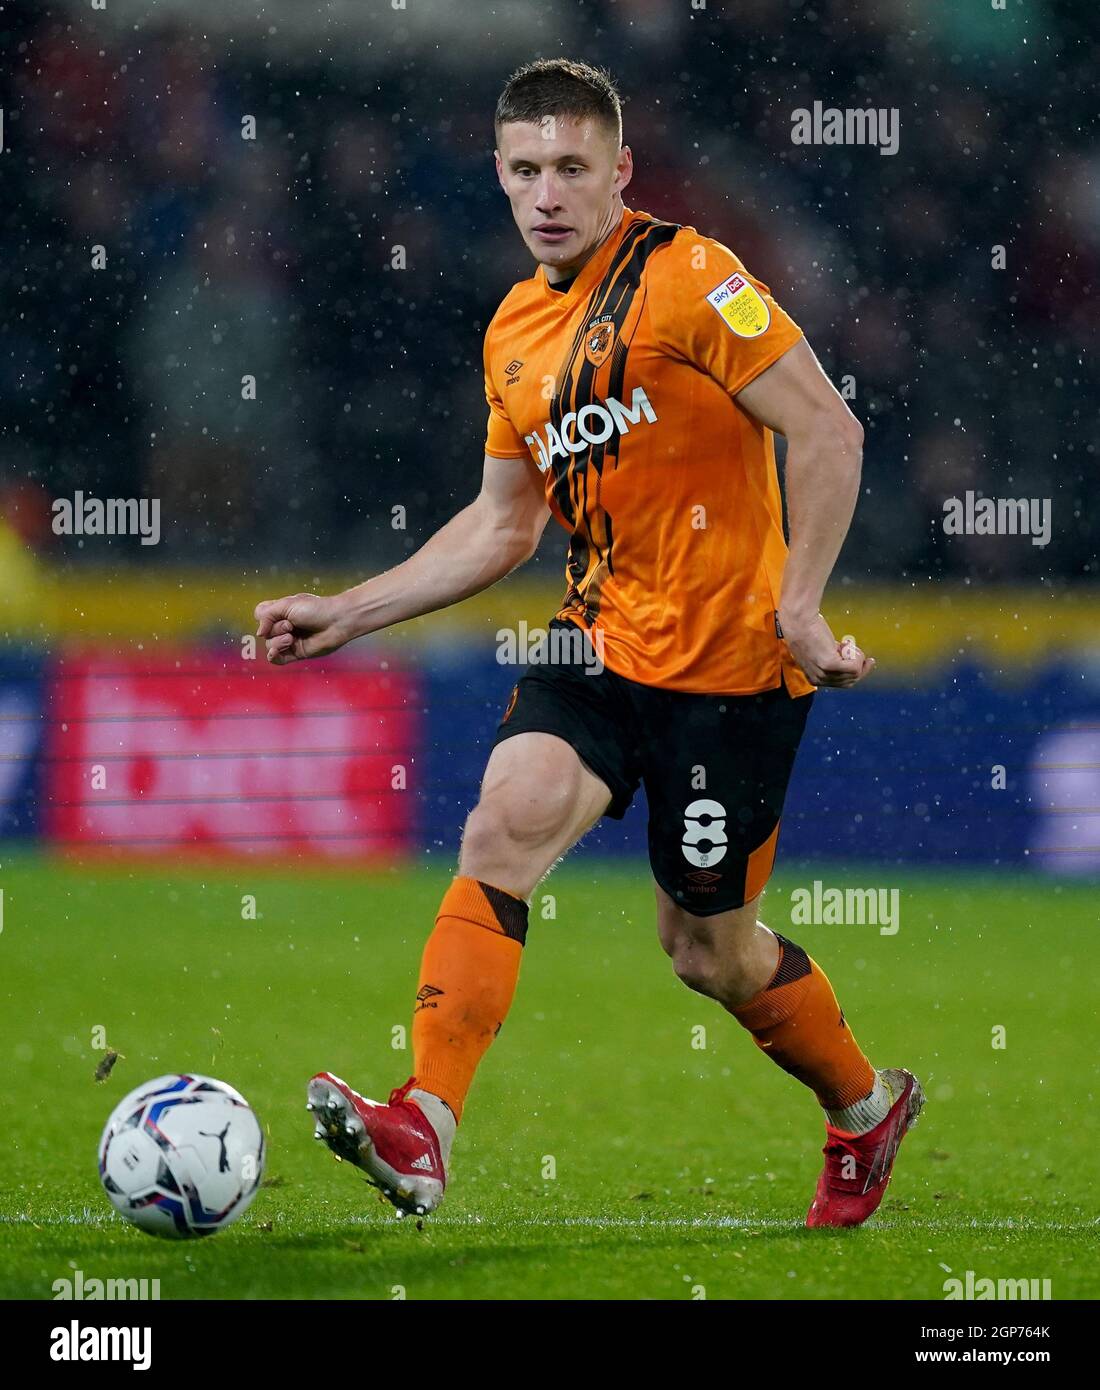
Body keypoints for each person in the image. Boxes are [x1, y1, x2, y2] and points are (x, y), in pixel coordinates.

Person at [254, 58, 922, 1229]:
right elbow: (504, 525)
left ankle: (864, 1107)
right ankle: (423, 1126)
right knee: (499, 825)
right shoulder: (514, 328)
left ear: (620, 170)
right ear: (499, 177)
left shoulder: (691, 278)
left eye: (572, 167)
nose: (548, 192)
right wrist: (349, 610)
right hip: (598, 647)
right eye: (525, 170)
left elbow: (827, 428)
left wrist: (802, 605)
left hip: (731, 674)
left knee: (706, 953)